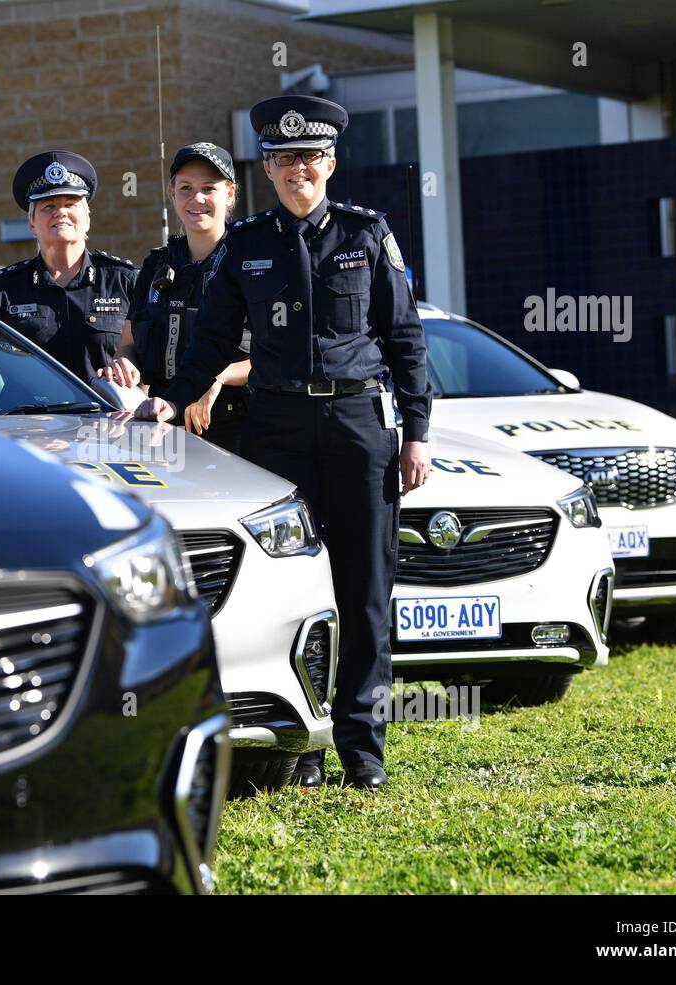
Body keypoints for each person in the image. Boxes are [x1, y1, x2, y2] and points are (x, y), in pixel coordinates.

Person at [135, 95, 432, 790]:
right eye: (283, 159)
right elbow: (209, 343)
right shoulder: (248, 246)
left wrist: (416, 432)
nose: (297, 168)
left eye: (309, 157)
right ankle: (300, 741)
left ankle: (364, 752)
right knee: (286, 587)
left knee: (364, 592)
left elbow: (406, 339)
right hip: (278, 434)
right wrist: (170, 399)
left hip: (358, 428)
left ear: (329, 162)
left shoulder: (367, 233)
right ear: (267, 169)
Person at [100, 143, 250, 453]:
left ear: (230, 193)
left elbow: (277, 355)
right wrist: (122, 364)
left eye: (209, 188)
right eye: (186, 188)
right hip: (160, 427)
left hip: (233, 425)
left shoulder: (251, 261)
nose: (197, 199)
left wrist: (220, 377)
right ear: (172, 193)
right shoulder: (157, 265)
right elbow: (128, 343)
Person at [0, 151, 137, 382]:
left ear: (88, 218)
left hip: (110, 415)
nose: (61, 212)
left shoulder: (125, 282)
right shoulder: (3, 290)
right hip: (29, 417)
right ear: (31, 223)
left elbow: (156, 361)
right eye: (48, 206)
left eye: (71, 204)